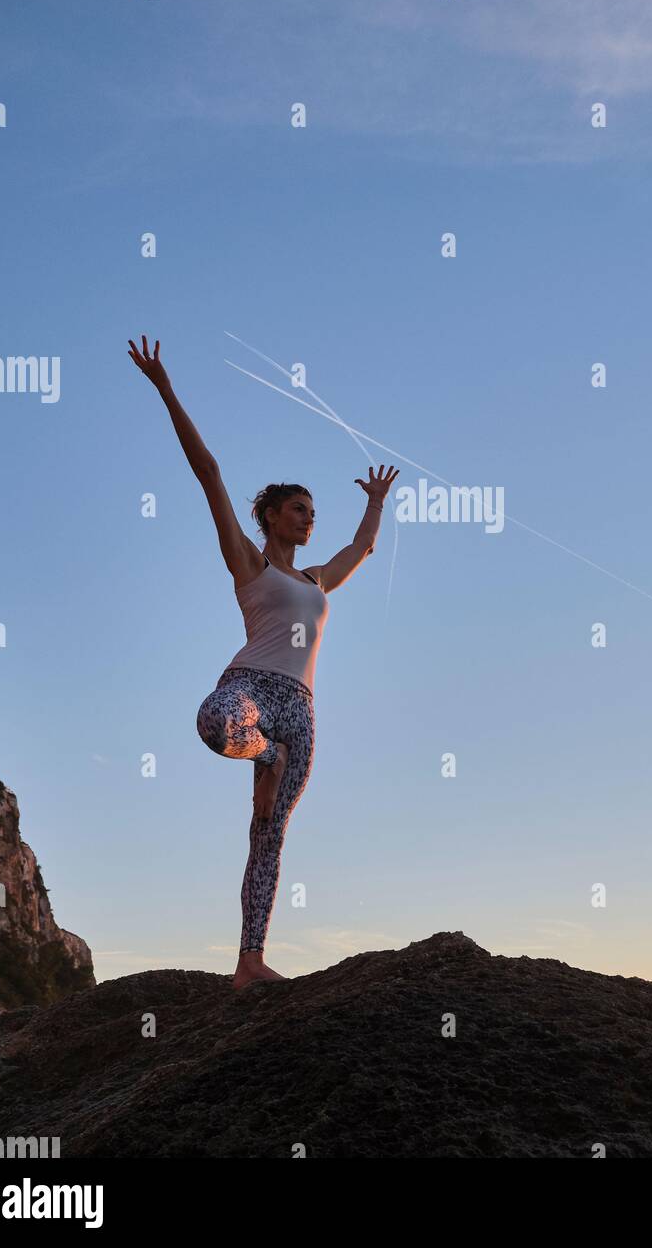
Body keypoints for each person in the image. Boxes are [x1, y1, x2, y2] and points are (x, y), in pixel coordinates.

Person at [127, 335, 398, 989]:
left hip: (301, 711)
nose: (309, 519)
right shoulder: (248, 563)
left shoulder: (315, 581)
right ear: (272, 516)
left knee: (267, 836)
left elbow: (361, 548)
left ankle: (250, 960)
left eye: (313, 512)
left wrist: (375, 501)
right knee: (212, 721)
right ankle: (264, 756)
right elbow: (209, 474)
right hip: (249, 690)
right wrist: (165, 388)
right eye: (299, 510)